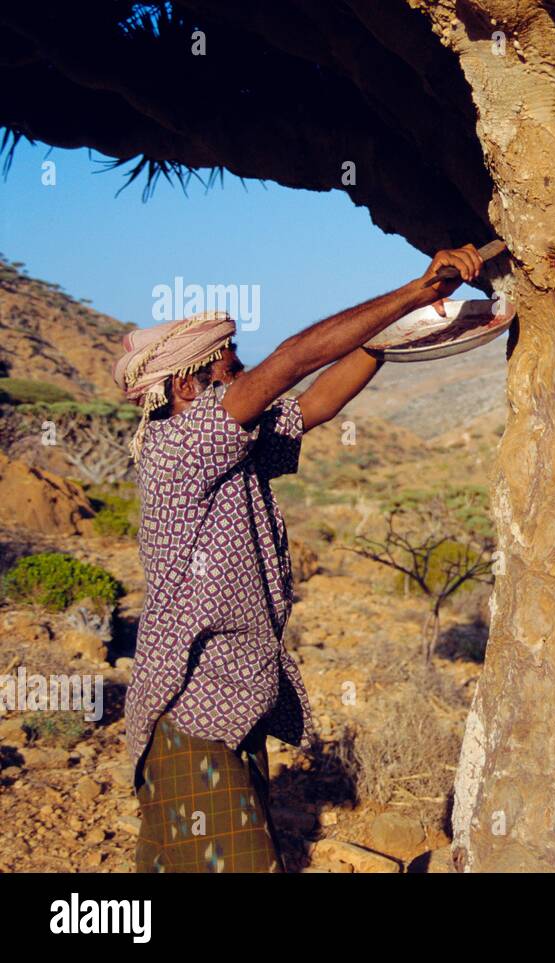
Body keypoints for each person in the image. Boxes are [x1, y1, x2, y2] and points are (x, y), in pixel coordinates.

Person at [112, 244, 484, 872]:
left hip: (234, 700)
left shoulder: (235, 444)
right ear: (184, 385)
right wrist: (412, 291)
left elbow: (317, 402)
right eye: (232, 370)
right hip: (192, 703)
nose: (246, 379)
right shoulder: (180, 444)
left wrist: (393, 332)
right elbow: (290, 365)